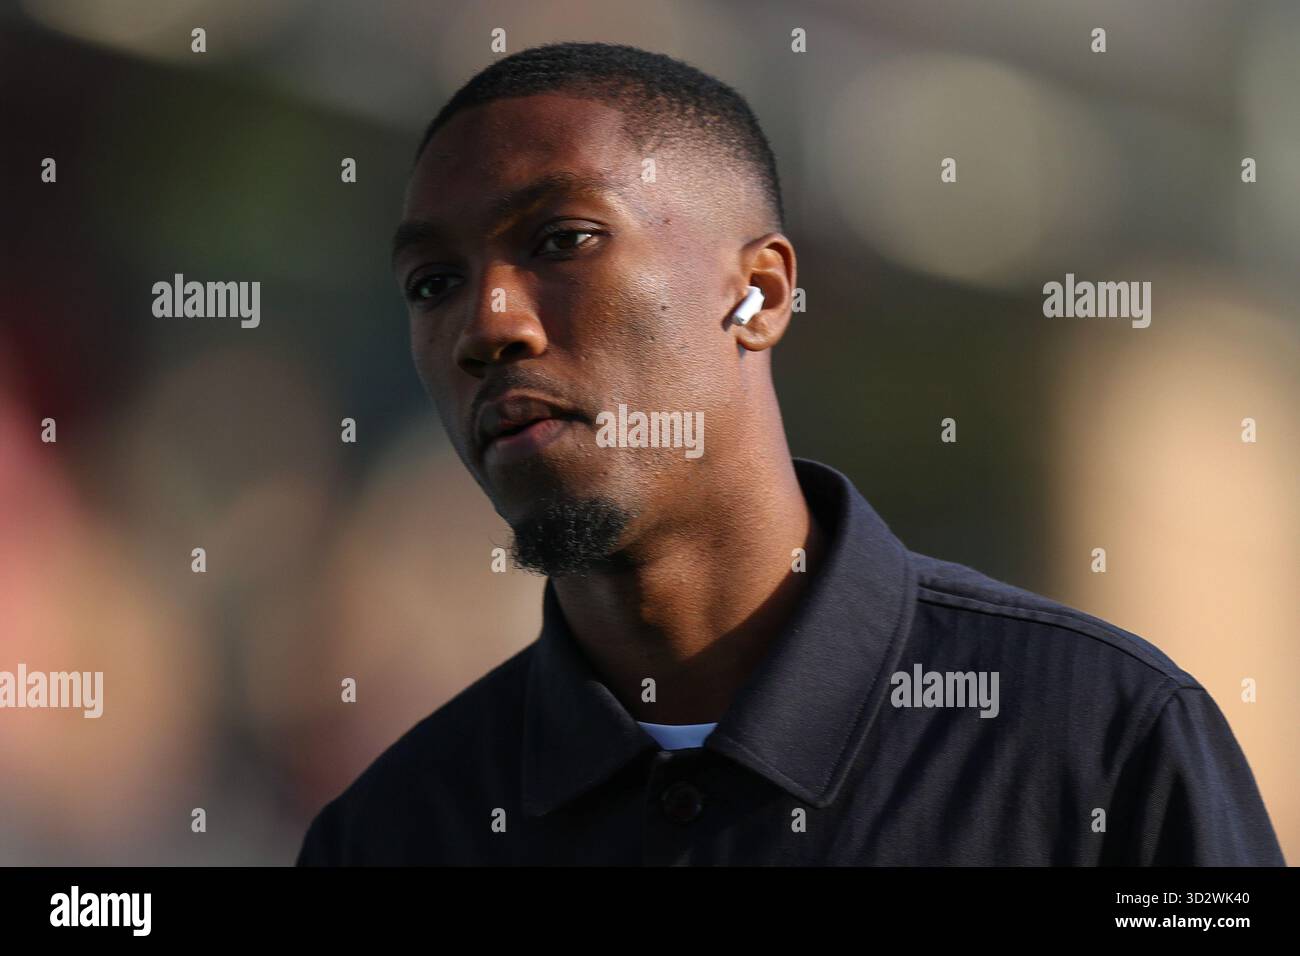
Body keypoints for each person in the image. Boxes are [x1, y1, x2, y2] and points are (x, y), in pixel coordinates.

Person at [297, 41, 1284, 865]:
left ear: (759, 295)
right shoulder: (392, 832)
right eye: (432, 283)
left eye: (561, 239)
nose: (488, 323)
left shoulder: (1100, 741)